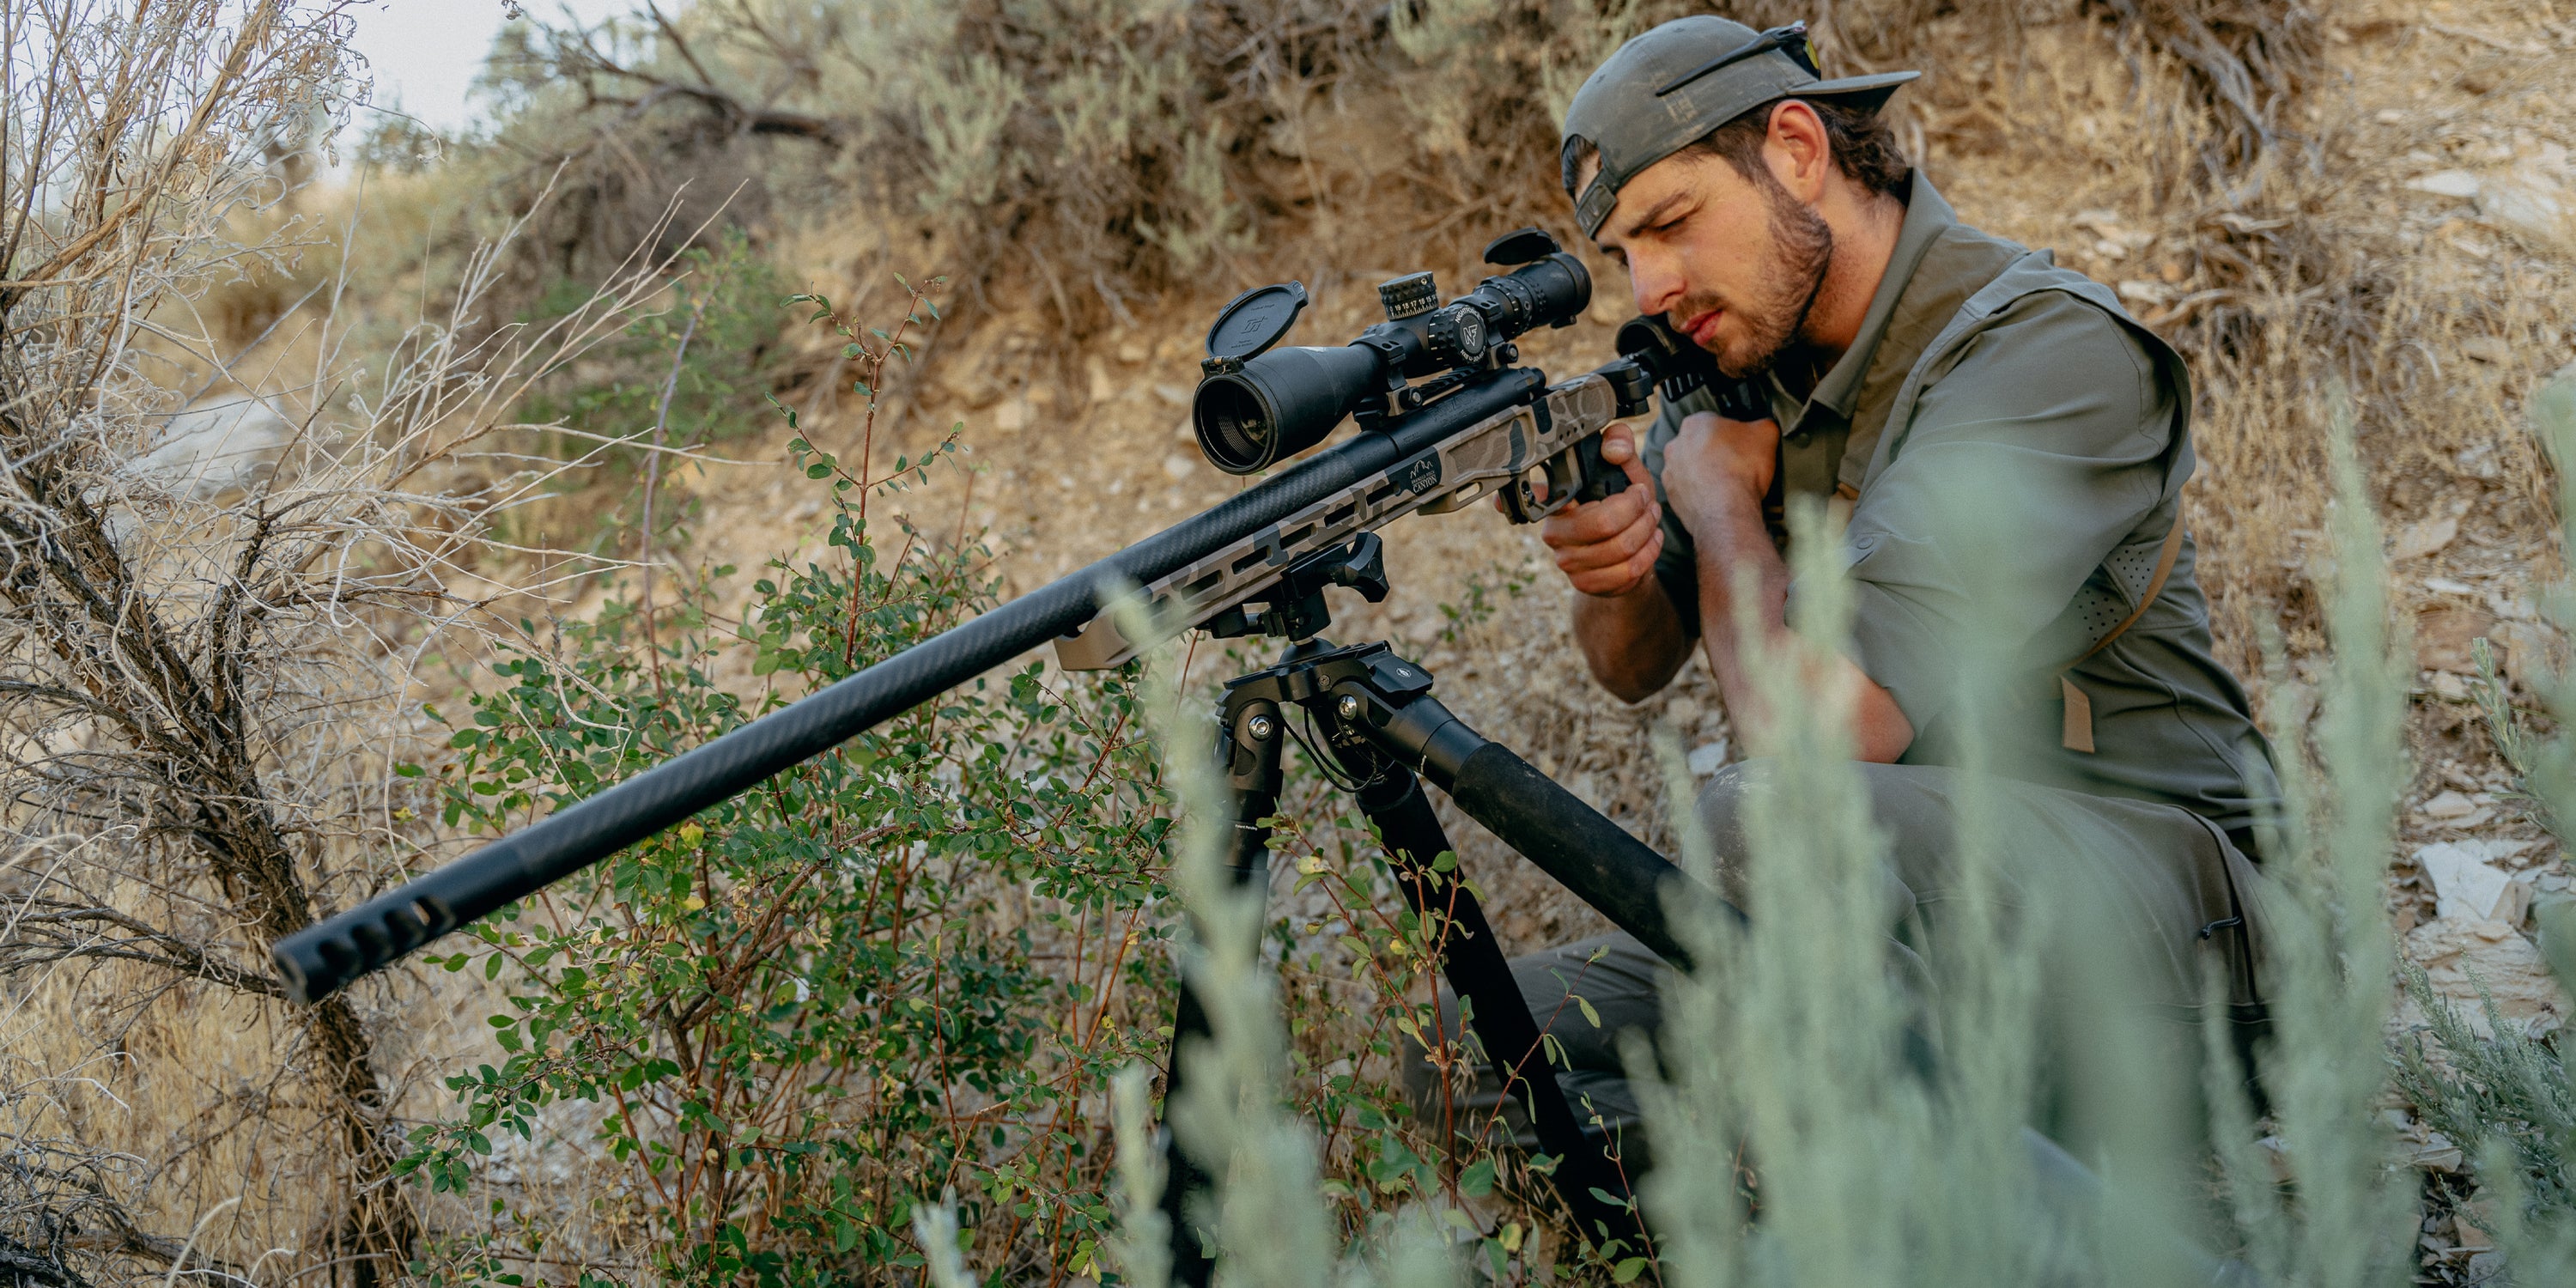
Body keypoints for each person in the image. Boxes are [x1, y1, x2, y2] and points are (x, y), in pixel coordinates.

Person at [1407, 15, 2281, 1179]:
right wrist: (1612, 555)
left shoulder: (2043, 354)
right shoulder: (1735, 360)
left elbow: (1822, 741)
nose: (1653, 286)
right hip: (1890, 930)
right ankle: (1842, 1196)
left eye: (1672, 224)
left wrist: (1718, 510)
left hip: (2182, 952)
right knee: (1474, 1047)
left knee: (1765, 812)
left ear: (1798, 149)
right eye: (1624, 255)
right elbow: (1627, 664)